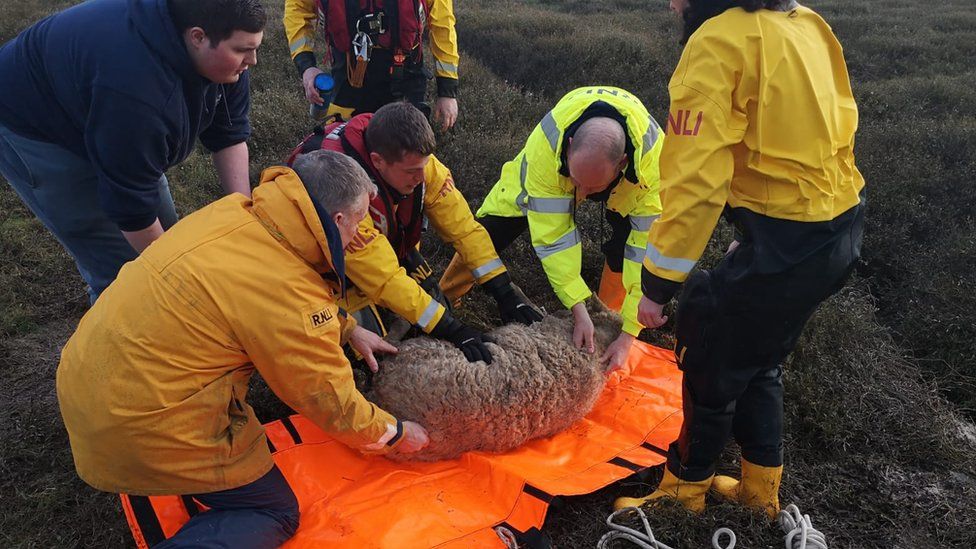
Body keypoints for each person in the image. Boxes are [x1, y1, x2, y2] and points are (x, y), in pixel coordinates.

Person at [57, 150, 430, 548]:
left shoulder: (235, 213)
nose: (359, 234)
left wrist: (348, 328)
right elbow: (329, 400)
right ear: (337, 220)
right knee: (273, 510)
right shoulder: (290, 291)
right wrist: (397, 434)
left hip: (85, 376)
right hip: (135, 424)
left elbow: (254, 299)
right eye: (358, 222)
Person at [614, 0, 865, 518]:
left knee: (708, 352)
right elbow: (829, 127)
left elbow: (694, 183)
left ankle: (683, 494)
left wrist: (656, 287)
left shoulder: (717, 41)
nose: (672, 3)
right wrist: (758, 236)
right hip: (838, 230)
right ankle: (760, 493)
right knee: (758, 356)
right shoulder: (807, 21)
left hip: (788, 242)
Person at [0, 0, 265, 303]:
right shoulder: (135, 93)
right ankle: (117, 323)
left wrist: (244, 216)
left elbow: (229, 135)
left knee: (169, 236)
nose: (253, 60)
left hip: (101, 103)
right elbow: (130, 205)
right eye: (243, 50)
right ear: (198, 37)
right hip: (32, 121)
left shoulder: (226, 59)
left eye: (255, 47)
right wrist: (178, 281)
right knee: (126, 272)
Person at [288, 102, 541, 366]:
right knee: (368, 353)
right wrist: (451, 329)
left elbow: (464, 229)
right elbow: (384, 278)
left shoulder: (417, 163)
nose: (422, 178)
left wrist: (503, 291)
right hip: (333, 273)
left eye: (425, 166)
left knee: (436, 306)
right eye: (412, 172)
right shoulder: (344, 197)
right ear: (378, 161)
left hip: (389, 246)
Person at [438, 86, 664, 372]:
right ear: (568, 146)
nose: (582, 194)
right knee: (489, 230)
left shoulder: (654, 170)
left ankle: (608, 321)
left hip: (632, 185)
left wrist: (629, 333)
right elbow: (555, 240)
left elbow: (643, 255)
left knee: (624, 251)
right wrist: (578, 308)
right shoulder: (545, 150)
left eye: (592, 188)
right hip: (550, 175)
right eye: (577, 183)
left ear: (622, 164)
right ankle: (445, 299)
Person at [284, 0, 460, 130]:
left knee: (408, 152)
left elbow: (443, 26)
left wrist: (447, 91)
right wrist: (306, 66)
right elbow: (298, 10)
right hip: (348, 77)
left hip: (405, 78)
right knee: (346, 152)